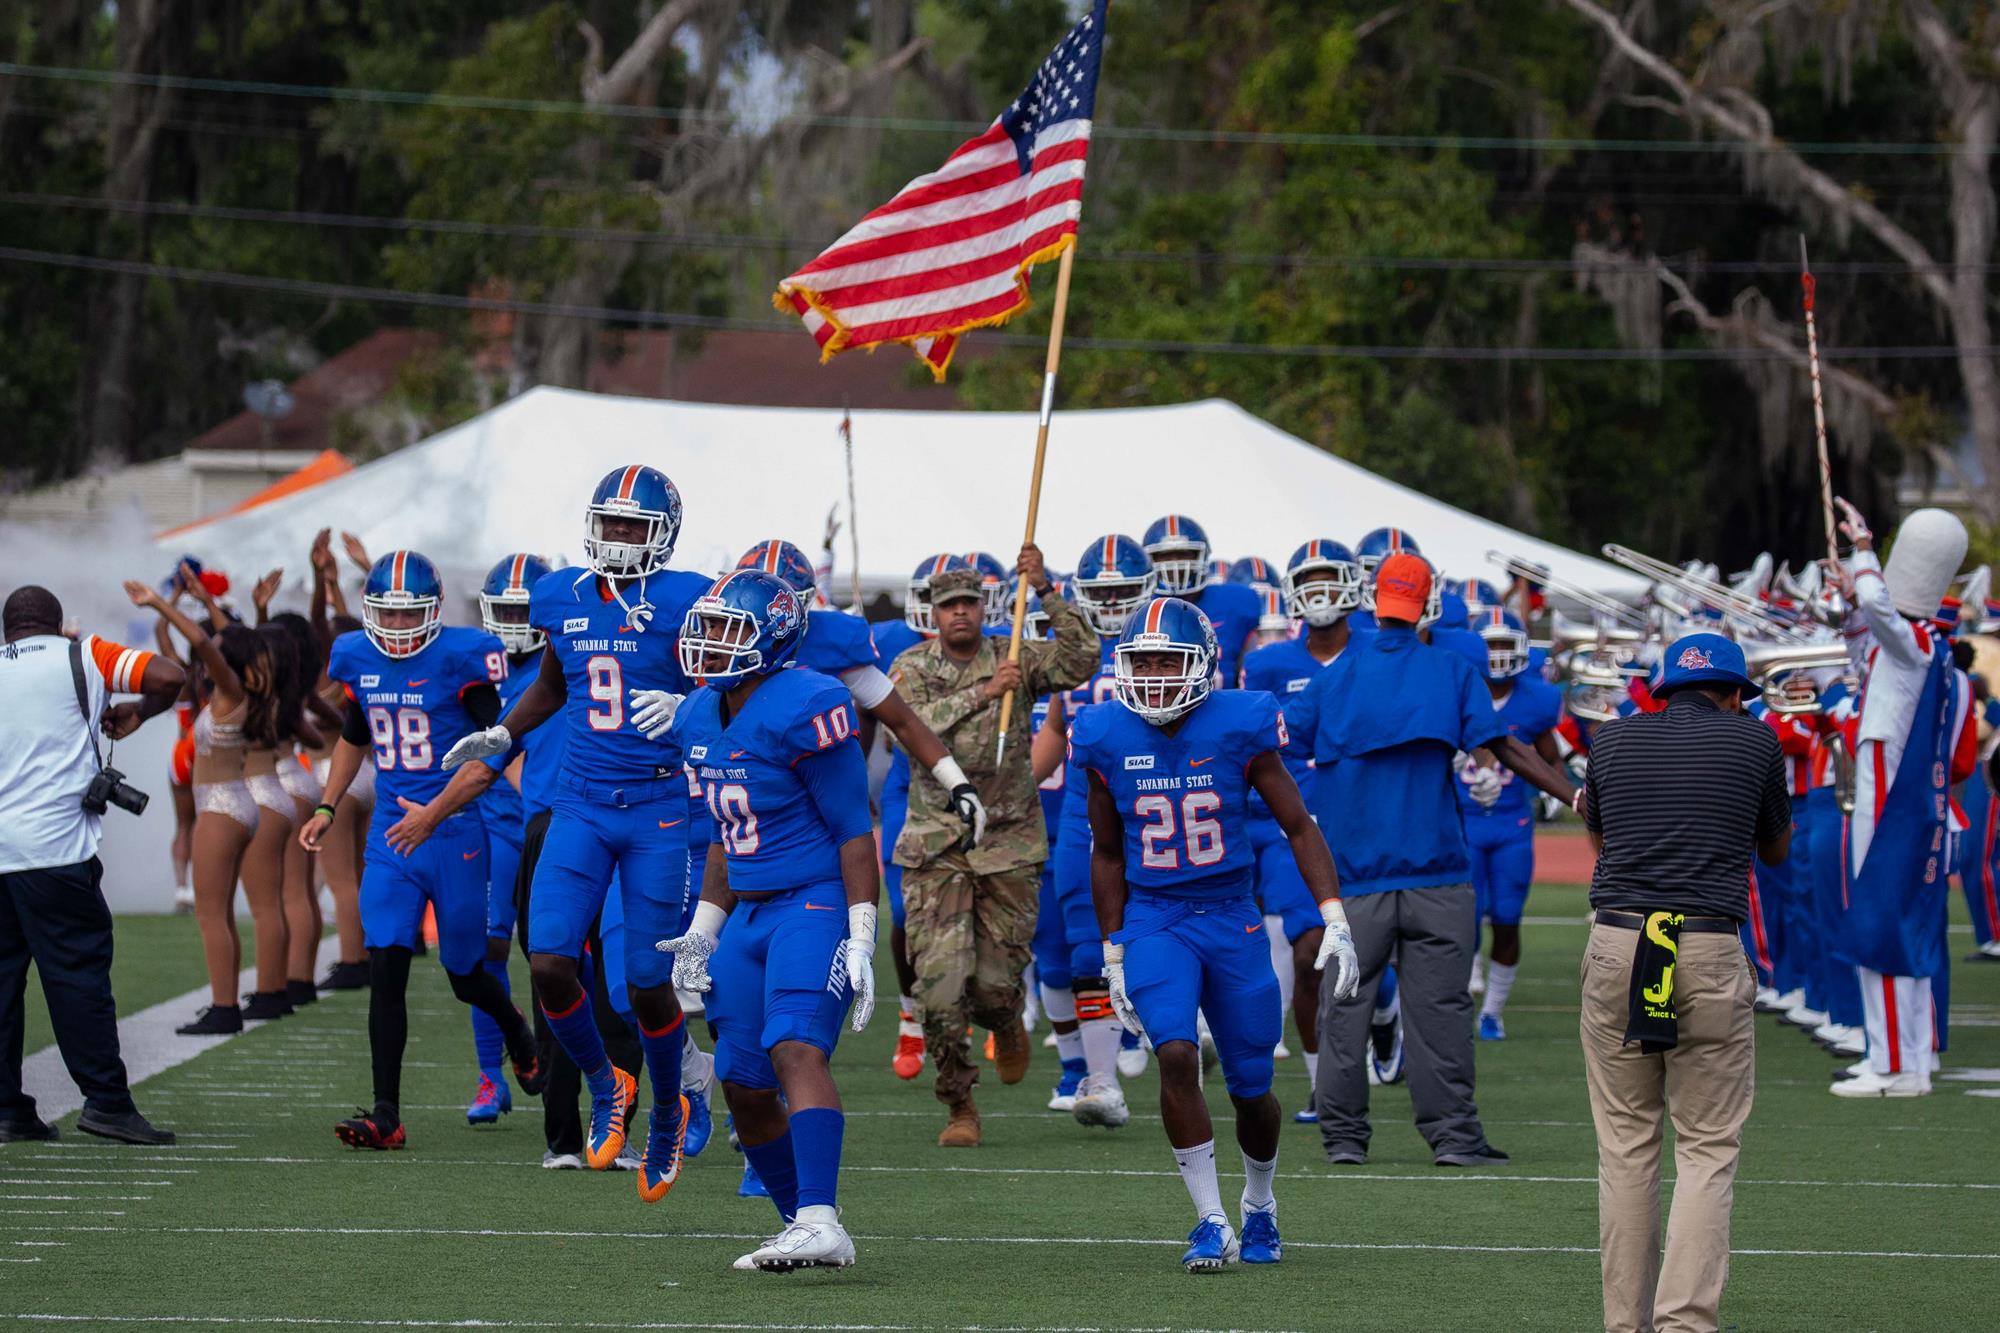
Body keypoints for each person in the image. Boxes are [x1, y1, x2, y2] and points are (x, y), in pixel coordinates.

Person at [437, 465, 705, 1193]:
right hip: (579, 804)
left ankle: (668, 1109)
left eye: (631, 524)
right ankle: (607, 1083)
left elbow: (735, 683)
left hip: (656, 807)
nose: (616, 535)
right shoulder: (563, 595)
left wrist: (687, 706)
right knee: (550, 963)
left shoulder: (690, 597)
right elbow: (554, 684)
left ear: (662, 532)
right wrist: (503, 733)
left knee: (646, 984)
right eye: (609, 521)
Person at [1072, 595, 1360, 1270]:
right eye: (1142, 662)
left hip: (1232, 914)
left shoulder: (1241, 721)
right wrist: (1113, 951)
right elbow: (1107, 853)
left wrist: (1334, 915)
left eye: (1168, 661)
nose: (1153, 677)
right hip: (1156, 917)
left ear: (1202, 663)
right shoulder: (1104, 733)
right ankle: (1210, 1218)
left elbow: (1298, 825)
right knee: (1175, 1053)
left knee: (1251, 1086)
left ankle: (1260, 1202)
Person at [1289, 553, 1578, 1167]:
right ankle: (1454, 1137)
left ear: (1373, 602)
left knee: (1344, 1010)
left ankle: (1344, 1139)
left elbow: (1285, 744)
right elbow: (1504, 748)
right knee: (1442, 1010)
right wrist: (1576, 795)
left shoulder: (1335, 678)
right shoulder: (1451, 670)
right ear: (1426, 606)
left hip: (1354, 878)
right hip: (1438, 871)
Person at [657, 570, 879, 1270]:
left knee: (795, 1048)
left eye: (728, 629)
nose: (710, 642)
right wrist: (704, 929)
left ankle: (819, 1218)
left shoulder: (807, 701)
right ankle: (801, 1226)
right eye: (707, 627)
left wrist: (862, 930)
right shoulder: (699, 713)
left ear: (774, 636)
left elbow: (853, 828)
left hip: (814, 901)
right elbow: (725, 836)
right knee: (743, 1082)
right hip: (749, 913)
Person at [1577, 630, 1792, 1333]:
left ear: (1663, 688)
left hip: (1620, 939)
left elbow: (1602, 839)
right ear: (1733, 694)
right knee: (1706, 1146)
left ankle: (1625, 1323)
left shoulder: (1611, 739)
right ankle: (1686, 1324)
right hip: (1705, 941)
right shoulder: (1756, 740)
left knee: (1625, 1145)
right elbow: (1775, 849)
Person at [299, 550, 546, 1150]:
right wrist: (328, 806)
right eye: (388, 614)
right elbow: (354, 735)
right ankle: (387, 1114)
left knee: (465, 973)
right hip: (393, 834)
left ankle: (515, 1029)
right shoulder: (357, 656)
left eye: (410, 615)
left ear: (433, 612)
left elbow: (499, 742)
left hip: (454, 832)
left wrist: (539, 805)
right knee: (385, 966)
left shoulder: (460, 657)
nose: (398, 626)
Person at [888, 548, 1097, 1146]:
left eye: (968, 603)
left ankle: (1006, 1019)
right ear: (933, 614)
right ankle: (960, 1105)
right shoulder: (910, 666)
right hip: (937, 845)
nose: (959, 613)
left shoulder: (1015, 655)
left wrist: (1047, 590)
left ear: (984, 609)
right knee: (939, 991)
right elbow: (908, 728)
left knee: (992, 988)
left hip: (1008, 841)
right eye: (948, 605)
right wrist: (983, 693)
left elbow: (1083, 658)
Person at [0, 585, 183, 1146]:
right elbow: (170, 675)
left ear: (8, 631)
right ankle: (106, 1102)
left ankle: (7, 1110)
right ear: (57, 626)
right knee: (77, 978)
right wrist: (139, 712)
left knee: (2, 985)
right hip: (55, 851)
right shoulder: (84, 655)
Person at [1827, 502, 1977, 1097]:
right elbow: (1863, 641)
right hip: (1901, 800)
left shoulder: (1916, 645)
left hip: (1888, 800)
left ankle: (1890, 1063)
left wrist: (1864, 553)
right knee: (1901, 929)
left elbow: (1879, 614)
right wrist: (1852, 591)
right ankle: (1907, 1061)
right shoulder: (1920, 649)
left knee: (1880, 922)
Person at [1034, 534, 1158, 1127]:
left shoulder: (1165, 638)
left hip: (1155, 801)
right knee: (1084, 943)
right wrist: (1013, 787)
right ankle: (1101, 1079)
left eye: (1121, 591)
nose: (1110, 603)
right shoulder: (1075, 652)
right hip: (1085, 809)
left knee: (1169, 932)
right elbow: (1055, 731)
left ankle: (1180, 1035)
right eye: (1101, 593)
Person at [1239, 539, 1363, 1118]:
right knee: (1312, 946)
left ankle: (1384, 1018)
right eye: (1308, 581)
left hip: (1369, 821)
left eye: (1328, 578)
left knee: (1379, 954)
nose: (1319, 592)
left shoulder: (1377, 653)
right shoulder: (1268, 664)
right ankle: (1323, 1086)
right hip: (1296, 825)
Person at [150, 570, 288, 1036]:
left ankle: (224, 1006)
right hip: (236, 803)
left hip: (221, 806)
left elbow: (204, 643)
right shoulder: (252, 688)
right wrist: (214, 602)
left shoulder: (230, 690)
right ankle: (225, 1004)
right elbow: (238, 642)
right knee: (221, 912)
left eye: (217, 651)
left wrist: (159, 602)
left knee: (211, 915)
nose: (209, 653)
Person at [869, 553, 975, 1079]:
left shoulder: (992, 644)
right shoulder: (888, 641)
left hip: (975, 786)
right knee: (905, 915)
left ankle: (963, 1013)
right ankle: (911, 1015)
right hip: (908, 786)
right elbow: (862, 706)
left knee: (973, 909)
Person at [1451, 608, 1564, 1040]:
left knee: (1507, 916)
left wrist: (1557, 796)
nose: (1497, 655)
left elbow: (1550, 757)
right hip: (1461, 823)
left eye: (1504, 644)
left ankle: (1493, 1011)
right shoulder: (1456, 689)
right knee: (1463, 919)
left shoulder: (1537, 699)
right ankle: (1462, 993)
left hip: (1511, 823)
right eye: (1489, 645)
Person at [1139, 515, 1261, 686]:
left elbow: (1256, 673)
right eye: (1165, 556)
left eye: (1183, 554)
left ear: (1202, 557)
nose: (1176, 564)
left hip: (1222, 701)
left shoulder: (1237, 602)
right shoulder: (1139, 610)